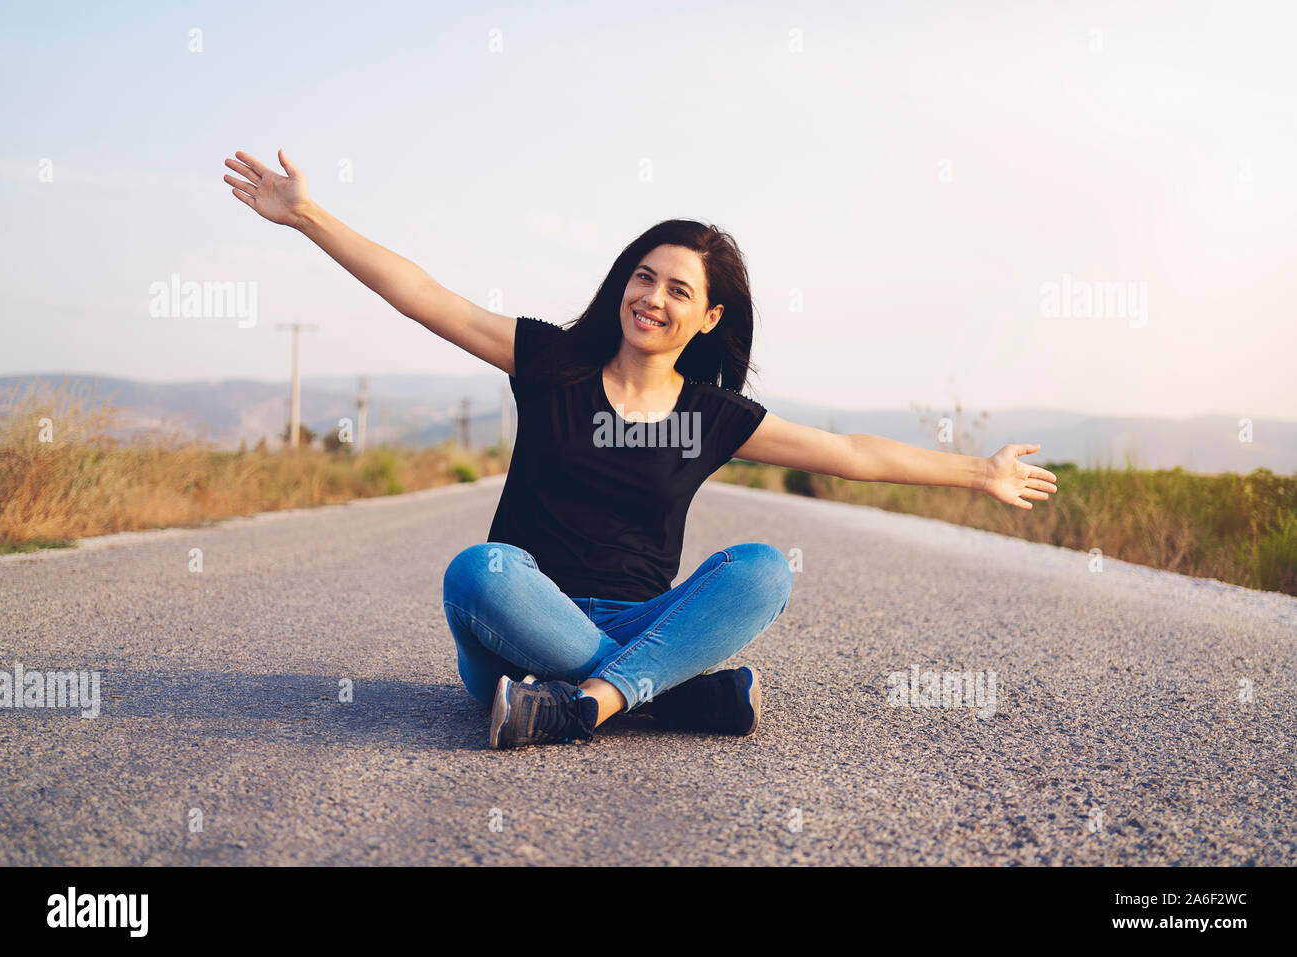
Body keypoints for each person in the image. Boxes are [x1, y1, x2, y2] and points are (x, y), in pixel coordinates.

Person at [224, 148, 1059, 750]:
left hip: (635, 616)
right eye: (644, 276)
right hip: (519, 626)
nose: (652, 297)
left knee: (765, 567)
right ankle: (660, 691)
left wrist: (978, 470)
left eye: (678, 289)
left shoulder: (712, 414)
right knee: (478, 570)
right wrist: (307, 216)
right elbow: (422, 295)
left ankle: (583, 707)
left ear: (708, 318)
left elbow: (851, 450)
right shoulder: (553, 363)